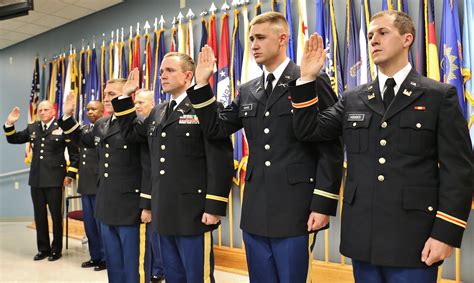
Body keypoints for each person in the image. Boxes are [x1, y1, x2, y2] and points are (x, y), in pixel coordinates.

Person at [290, 10, 472, 283]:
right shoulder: (354, 98)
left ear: (407, 39)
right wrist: (306, 79)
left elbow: (459, 170)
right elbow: (308, 130)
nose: (374, 40)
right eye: (370, 35)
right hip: (364, 238)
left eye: (383, 33)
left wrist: (445, 234)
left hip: (415, 239)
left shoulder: (437, 96)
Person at [187, 12, 343, 282]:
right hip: (256, 206)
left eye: (260, 37)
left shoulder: (309, 79)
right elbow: (216, 129)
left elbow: (329, 145)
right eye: (250, 39)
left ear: (282, 39)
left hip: (296, 205)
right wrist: (201, 85)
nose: (254, 44)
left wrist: (323, 203)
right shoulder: (249, 89)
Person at [112, 53, 233, 283]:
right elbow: (131, 134)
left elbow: (220, 159)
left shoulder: (206, 107)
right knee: (173, 275)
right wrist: (126, 97)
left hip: (194, 212)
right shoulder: (158, 112)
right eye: (160, 72)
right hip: (164, 210)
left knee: (197, 276)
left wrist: (215, 206)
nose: (162, 76)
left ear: (188, 75)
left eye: (169, 71)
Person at [59, 80, 146, 283]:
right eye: (105, 94)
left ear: (127, 95)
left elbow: (146, 164)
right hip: (106, 202)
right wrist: (67, 116)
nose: (106, 98)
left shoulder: (139, 122)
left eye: (112, 94)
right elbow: (82, 138)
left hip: (129, 205)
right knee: (114, 264)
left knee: (132, 264)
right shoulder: (102, 123)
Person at [3, 100, 79, 261]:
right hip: (36, 180)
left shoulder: (62, 127)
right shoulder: (33, 128)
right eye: (40, 110)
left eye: (46, 109)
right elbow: (13, 139)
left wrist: (70, 174)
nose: (42, 112)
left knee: (56, 217)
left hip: (55, 180)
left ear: (53, 111)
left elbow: (74, 154)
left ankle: (56, 250)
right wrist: (9, 123)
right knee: (39, 216)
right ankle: (43, 249)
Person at [133, 89, 165, 283]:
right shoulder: (140, 125)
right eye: (135, 103)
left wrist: (147, 202)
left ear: (152, 104)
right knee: (152, 237)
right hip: (141, 189)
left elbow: (150, 167)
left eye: (141, 103)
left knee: (156, 236)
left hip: (154, 190)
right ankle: (157, 268)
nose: (137, 106)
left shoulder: (156, 125)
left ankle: (159, 269)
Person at [74, 100, 106, 271]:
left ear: (102, 111)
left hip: (99, 183)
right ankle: (95, 256)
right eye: (88, 109)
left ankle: (106, 258)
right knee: (90, 225)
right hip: (86, 182)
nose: (90, 112)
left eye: (94, 109)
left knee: (101, 224)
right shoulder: (85, 130)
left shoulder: (104, 128)